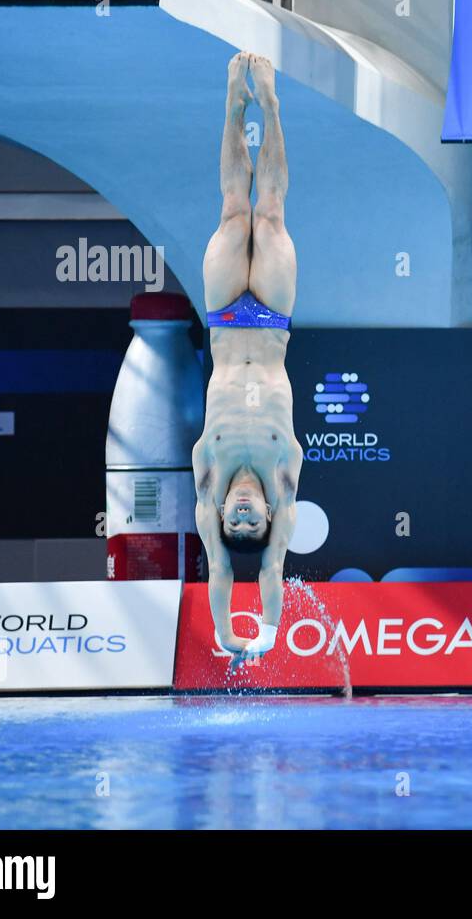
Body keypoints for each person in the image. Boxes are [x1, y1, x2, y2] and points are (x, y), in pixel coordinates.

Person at [192, 52, 302, 667]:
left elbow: (219, 571)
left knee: (235, 209)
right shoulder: (283, 477)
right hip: (272, 322)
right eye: (246, 526)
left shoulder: (209, 478)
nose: (235, 520)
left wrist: (228, 635)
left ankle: (234, 101)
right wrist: (264, 629)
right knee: (272, 213)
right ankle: (275, 108)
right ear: (265, 516)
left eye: (230, 526)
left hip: (227, 320)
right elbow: (272, 570)